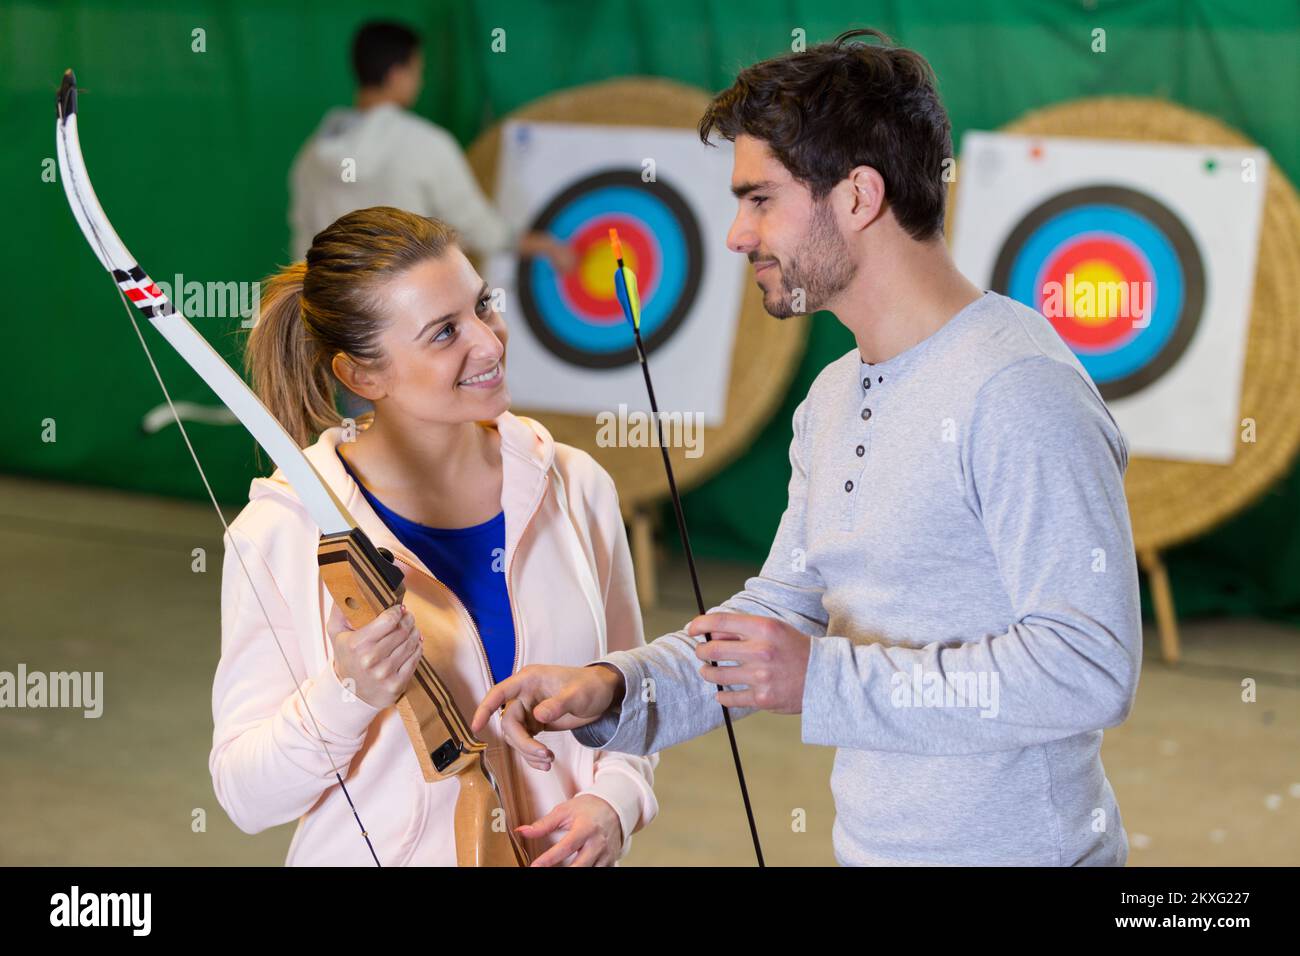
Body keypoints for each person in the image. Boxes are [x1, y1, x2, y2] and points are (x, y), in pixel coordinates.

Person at [473, 28, 1142, 867]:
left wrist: (822, 680)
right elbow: (781, 613)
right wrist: (618, 687)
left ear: (858, 197)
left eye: (760, 199)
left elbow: (1088, 666)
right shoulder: (832, 396)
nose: (736, 236)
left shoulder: (1019, 389)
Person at [210, 206, 655, 866]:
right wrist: (347, 691)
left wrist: (616, 801)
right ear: (362, 376)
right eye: (444, 332)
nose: (490, 341)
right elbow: (246, 797)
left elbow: (634, 692)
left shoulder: (576, 485)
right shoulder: (280, 529)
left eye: (483, 306)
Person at [289, 20, 572, 269]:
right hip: (410, 313)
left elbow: (303, 248)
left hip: (334, 315)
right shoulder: (424, 143)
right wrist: (544, 246)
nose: (420, 81)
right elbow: (477, 228)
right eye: (416, 70)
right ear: (396, 74)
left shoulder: (311, 155)